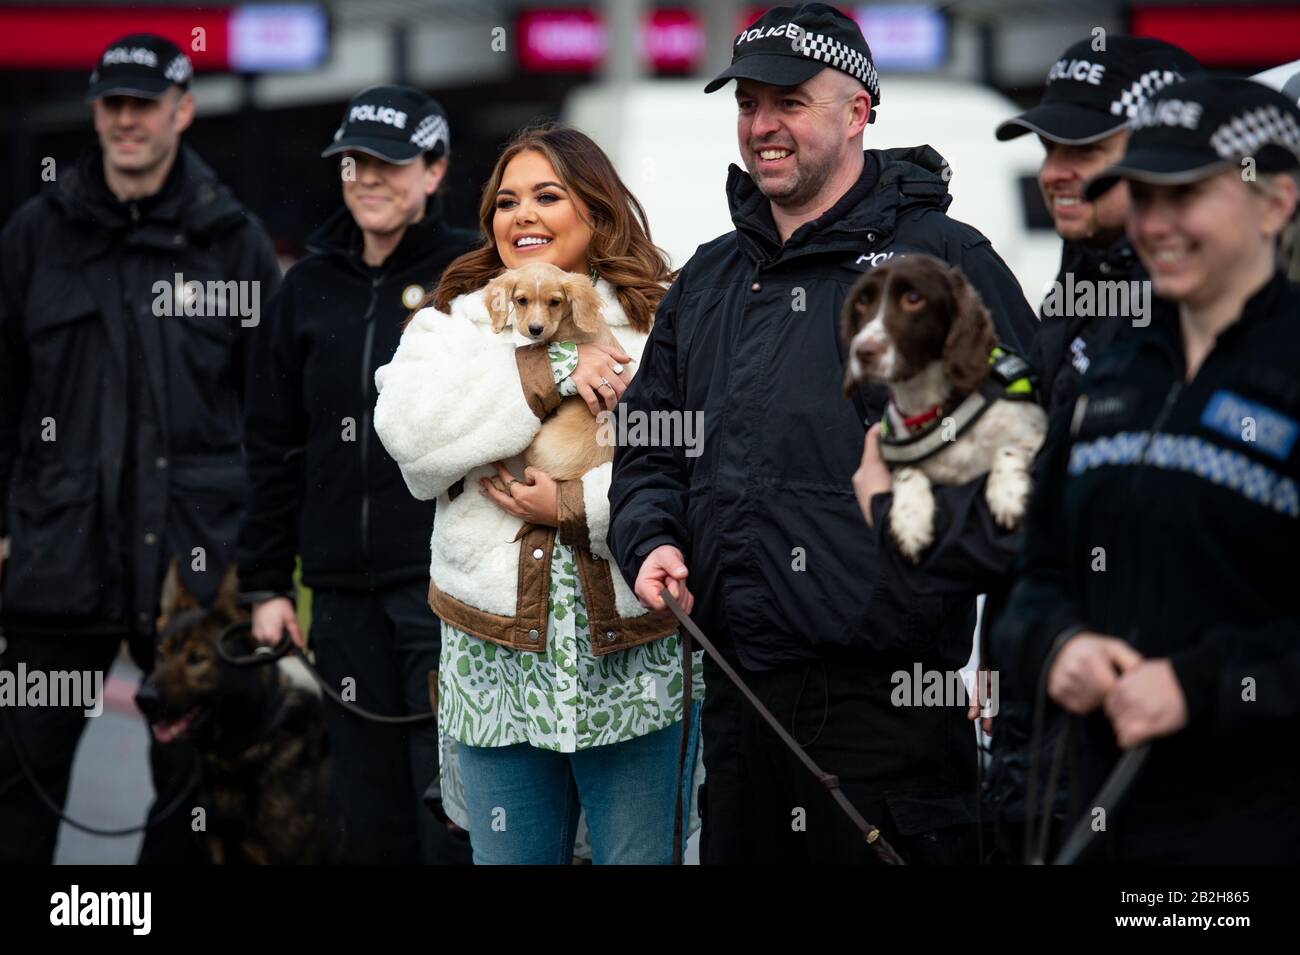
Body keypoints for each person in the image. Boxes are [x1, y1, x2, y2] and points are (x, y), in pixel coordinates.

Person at [608, 2, 1036, 865]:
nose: (762, 126)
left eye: (790, 102)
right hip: (736, 699)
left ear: (858, 112)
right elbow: (649, 444)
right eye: (748, 104)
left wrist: (1013, 675)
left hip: (891, 717)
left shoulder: (945, 265)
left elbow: (1027, 469)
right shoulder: (709, 279)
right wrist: (648, 535)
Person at [372, 124, 702, 865]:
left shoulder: (661, 318)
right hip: (495, 660)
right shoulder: (455, 319)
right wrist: (548, 365)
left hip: (631, 653)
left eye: (547, 196)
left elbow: (699, 456)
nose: (521, 215)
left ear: (596, 209)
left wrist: (580, 506)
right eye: (505, 201)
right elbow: (409, 438)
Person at [995, 76, 1300, 863]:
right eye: (1143, 197)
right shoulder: (1116, 375)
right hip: (1102, 820)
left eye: (1185, 195)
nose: (1156, 224)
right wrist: (1059, 646)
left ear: (1275, 203)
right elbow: (1033, 579)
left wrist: (1201, 685)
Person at [0, 33, 280, 863]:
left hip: (191, 571)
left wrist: (260, 562)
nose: (126, 121)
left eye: (144, 105)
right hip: (56, 556)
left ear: (182, 111)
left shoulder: (232, 242)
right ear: (95, 111)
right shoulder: (33, 237)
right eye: (112, 104)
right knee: (19, 779)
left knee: (192, 793)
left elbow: (270, 416)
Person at [237, 86, 477, 864]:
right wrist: (267, 585)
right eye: (354, 162)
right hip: (338, 597)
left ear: (434, 170)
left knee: (451, 814)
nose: (368, 177)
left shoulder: (471, 275)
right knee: (366, 822)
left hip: (444, 594)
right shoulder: (305, 286)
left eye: (390, 163)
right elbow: (272, 446)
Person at [986, 35, 1201, 862]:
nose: (1053, 170)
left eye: (1085, 147)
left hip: (1156, 746)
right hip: (1043, 738)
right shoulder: (1077, 287)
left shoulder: (1201, 309)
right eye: (1049, 146)